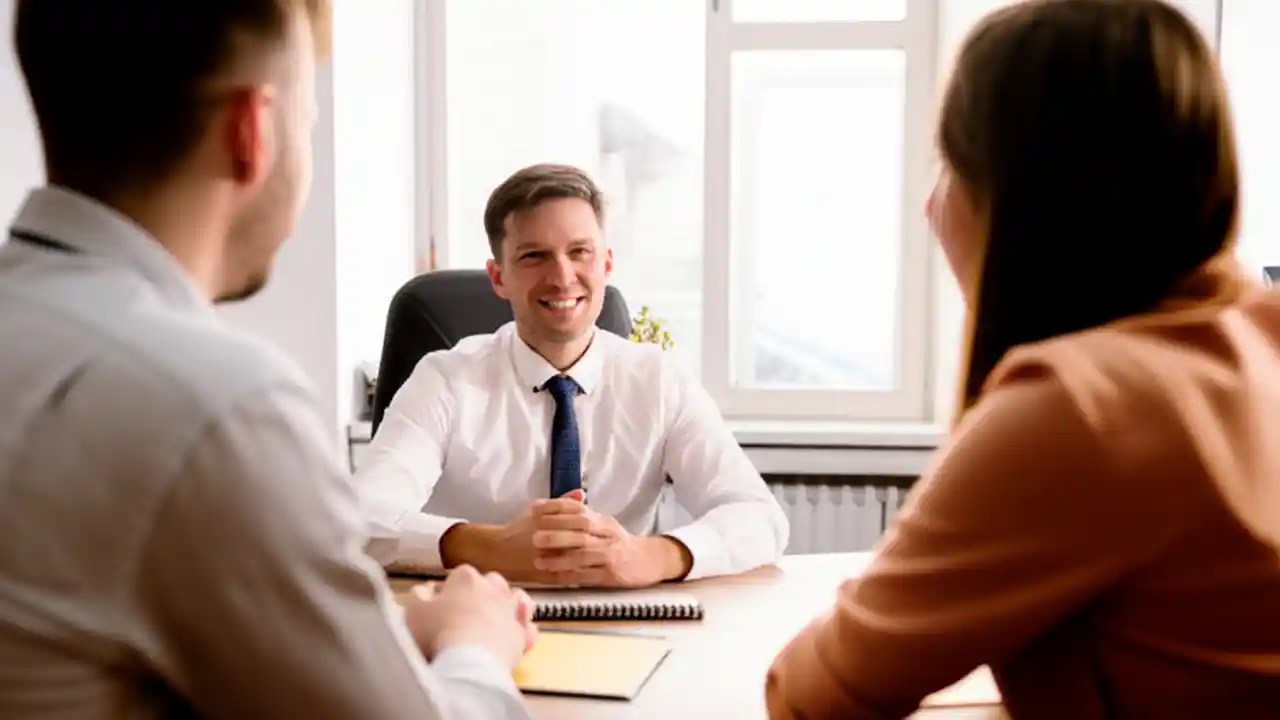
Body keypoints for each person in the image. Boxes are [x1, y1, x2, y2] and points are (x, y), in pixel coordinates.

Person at [0, 1, 536, 718]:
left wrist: (373, 638)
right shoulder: (211, 406)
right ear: (252, 131)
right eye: (307, 122)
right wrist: (476, 640)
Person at [766, 0, 1280, 718]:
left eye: (951, 165)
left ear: (1025, 195)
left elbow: (810, 697)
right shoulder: (1260, 333)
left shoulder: (1081, 406)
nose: (931, 207)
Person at [354, 163, 788, 586]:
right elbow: (359, 518)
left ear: (606, 264)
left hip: (624, 622)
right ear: (499, 277)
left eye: (580, 252)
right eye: (534, 256)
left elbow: (759, 518)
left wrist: (653, 556)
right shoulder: (445, 380)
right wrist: (491, 547)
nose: (562, 277)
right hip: (475, 612)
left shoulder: (658, 382)